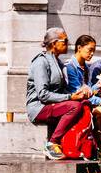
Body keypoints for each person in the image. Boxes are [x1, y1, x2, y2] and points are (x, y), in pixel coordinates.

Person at [25, 27, 89, 160]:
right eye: (64, 41)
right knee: (74, 106)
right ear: (54, 43)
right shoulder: (40, 62)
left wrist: (78, 94)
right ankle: (52, 143)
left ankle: (76, 146)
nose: (68, 44)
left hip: (54, 105)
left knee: (83, 103)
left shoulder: (58, 62)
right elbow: (42, 94)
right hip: (39, 107)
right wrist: (70, 97)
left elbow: (61, 90)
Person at [64, 34, 101, 129]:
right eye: (90, 50)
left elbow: (89, 92)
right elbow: (79, 94)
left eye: (93, 51)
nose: (92, 53)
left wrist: (99, 84)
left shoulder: (86, 68)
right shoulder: (70, 67)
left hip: (85, 102)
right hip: (75, 105)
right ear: (79, 48)